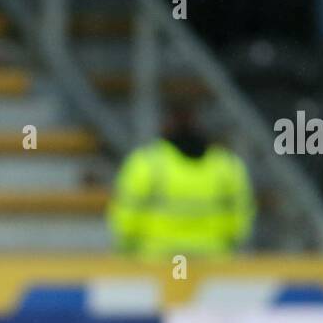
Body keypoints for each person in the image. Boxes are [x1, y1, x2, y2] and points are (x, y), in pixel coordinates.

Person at [108, 105, 254, 259]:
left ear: (166, 125)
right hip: (213, 261)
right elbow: (240, 221)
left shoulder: (146, 163)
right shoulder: (227, 165)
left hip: (156, 261)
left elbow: (126, 219)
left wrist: (125, 252)